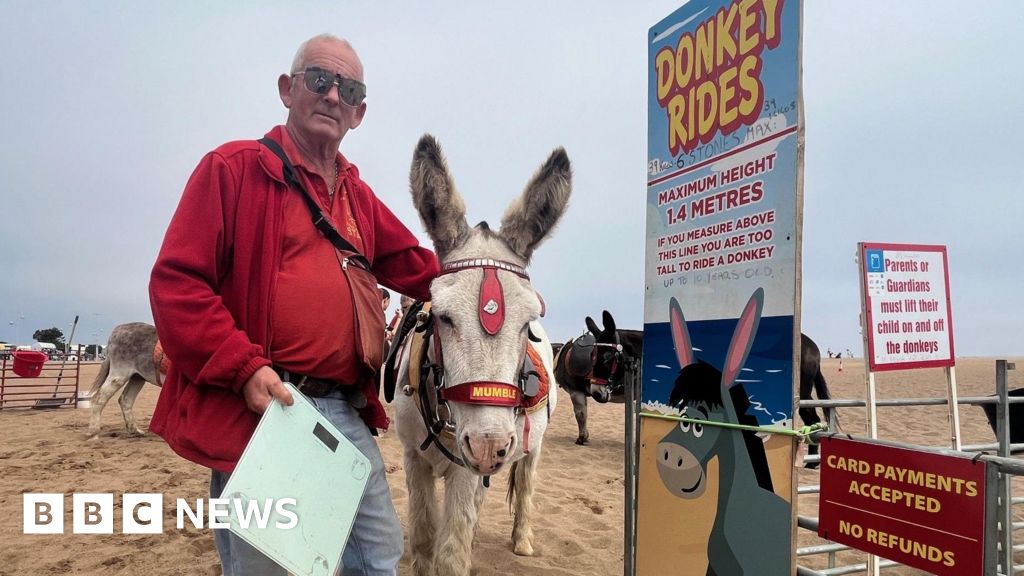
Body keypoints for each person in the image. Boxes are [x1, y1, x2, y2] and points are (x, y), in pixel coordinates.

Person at [149, 34, 439, 576]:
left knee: (377, 559)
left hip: (344, 412)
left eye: (347, 88)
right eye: (319, 80)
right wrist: (243, 367)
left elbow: (416, 266)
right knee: (273, 566)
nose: (332, 96)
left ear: (359, 111)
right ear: (288, 89)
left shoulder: (357, 195)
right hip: (266, 408)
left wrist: (492, 281)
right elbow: (177, 283)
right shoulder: (233, 169)